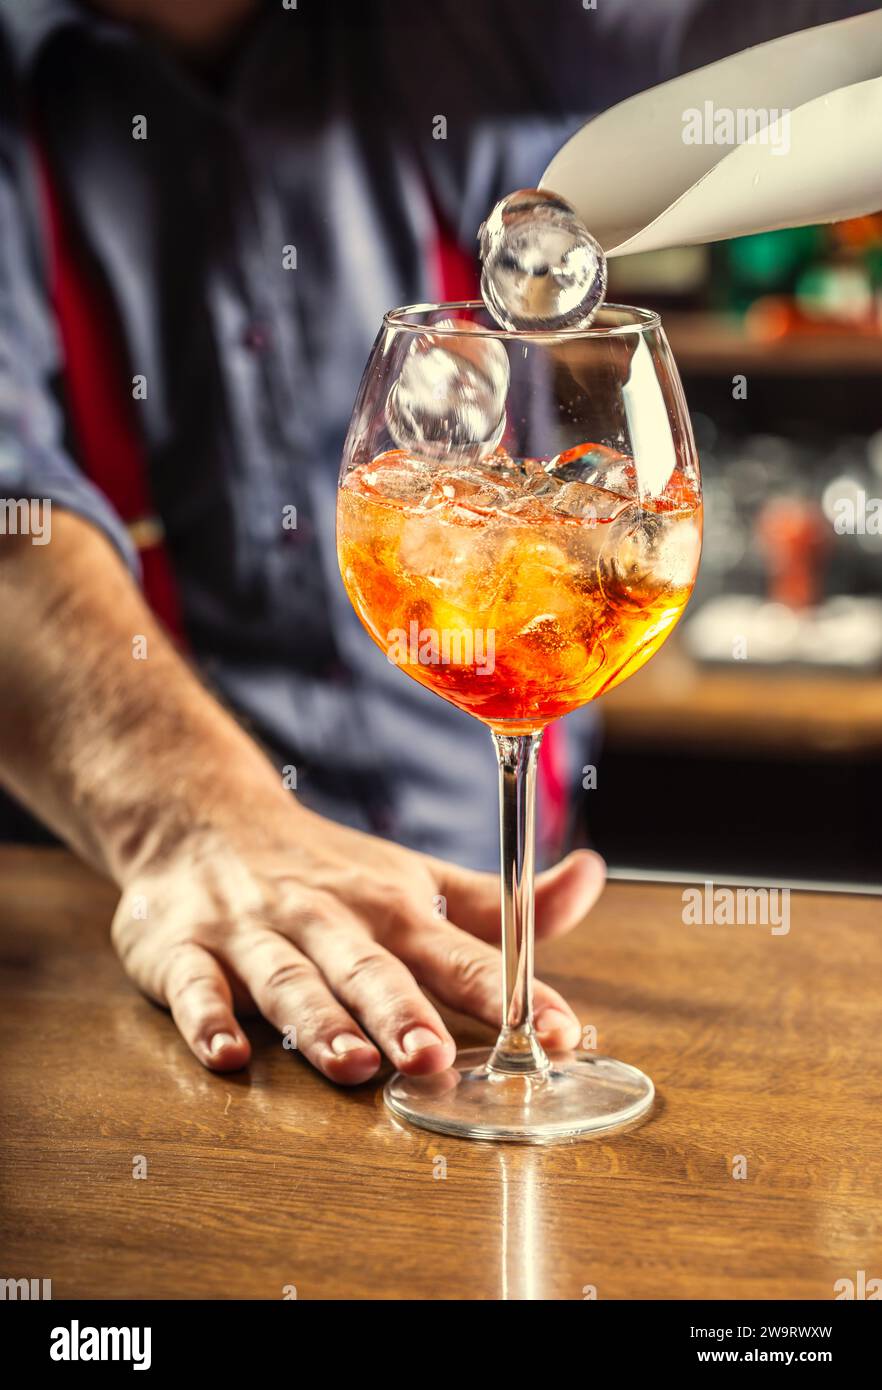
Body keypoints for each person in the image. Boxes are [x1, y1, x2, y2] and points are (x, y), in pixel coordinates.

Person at [0, 0, 867, 1085]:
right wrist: (193, 824)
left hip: (501, 927)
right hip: (165, 948)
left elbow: (769, 43)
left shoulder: (469, 25)